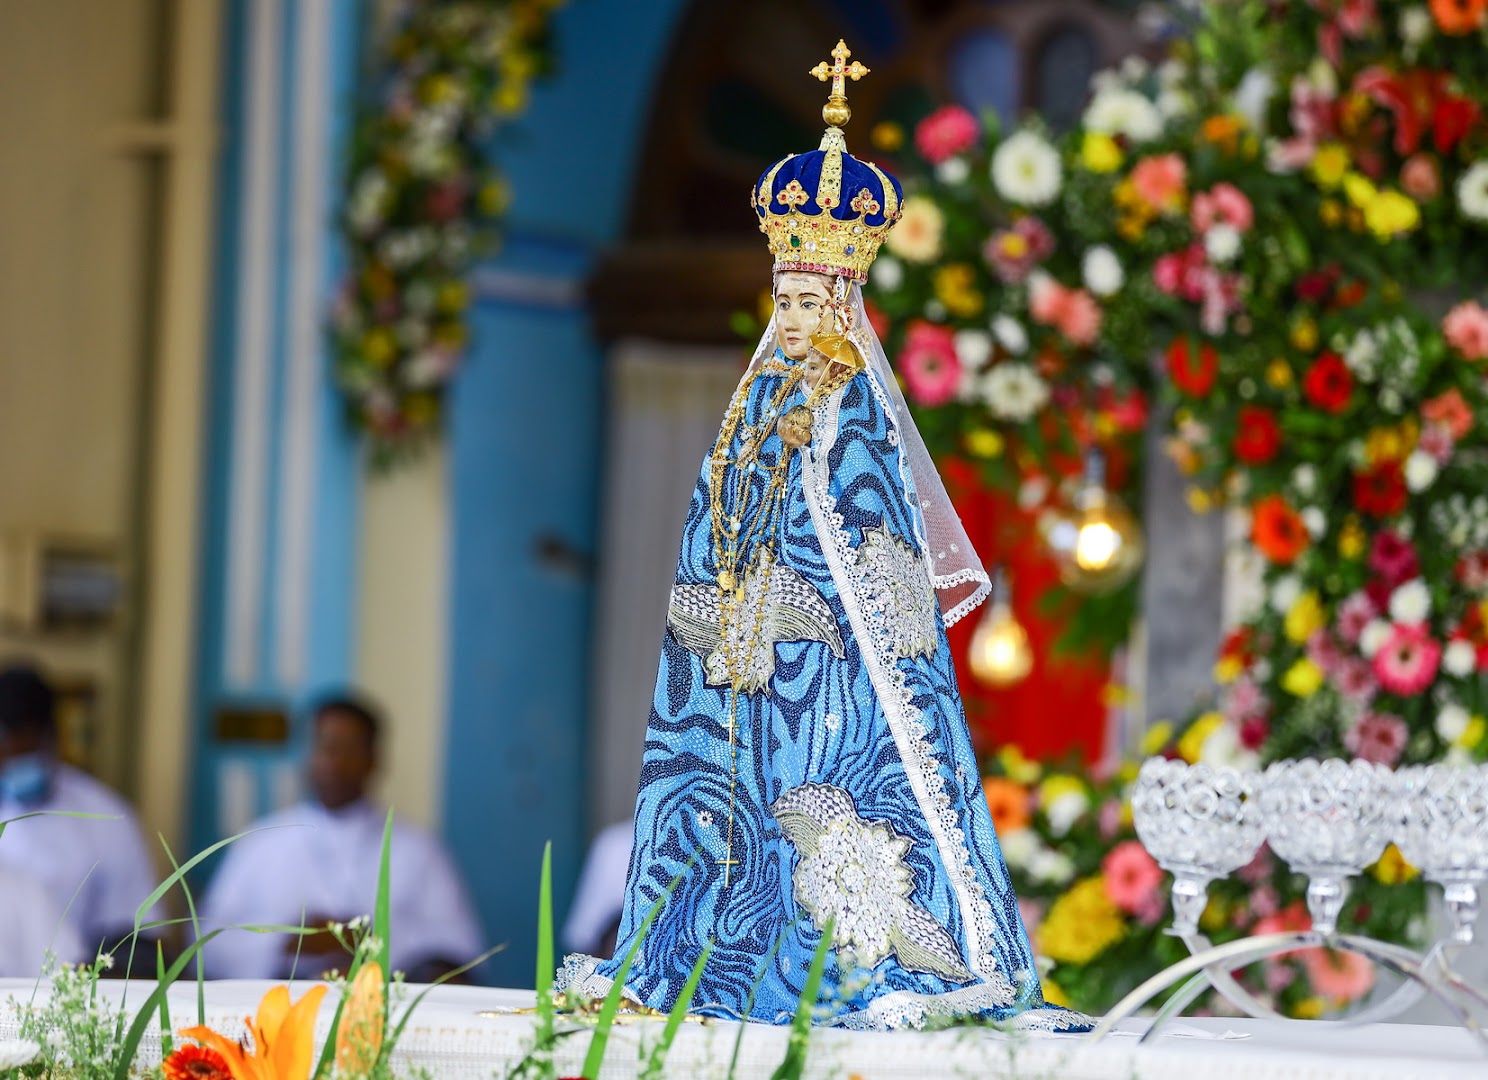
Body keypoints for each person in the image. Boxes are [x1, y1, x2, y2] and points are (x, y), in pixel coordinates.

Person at [559, 43, 1089, 1031]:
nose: (797, 318)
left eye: (814, 302)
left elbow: (878, 539)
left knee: (836, 819)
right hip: (749, 669)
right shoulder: (751, 402)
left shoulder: (863, 411)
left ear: (845, 303)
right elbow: (712, 524)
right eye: (787, 301)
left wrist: (812, 475)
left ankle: (863, 969)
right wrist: (756, 489)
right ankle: (709, 952)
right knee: (736, 814)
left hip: (842, 677)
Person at [198, 692, 485, 983]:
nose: (334, 761)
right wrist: (289, 940)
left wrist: (370, 939)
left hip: (383, 1006)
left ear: (375, 759)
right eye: (324, 746)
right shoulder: (261, 840)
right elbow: (208, 942)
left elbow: (458, 948)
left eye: (349, 748)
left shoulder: (418, 848)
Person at [0, 662, 161, 964]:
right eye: (6, 745)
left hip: (76, 983)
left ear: (53, 737)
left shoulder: (106, 816)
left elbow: (135, 935)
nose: (13, 757)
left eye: (26, 745)